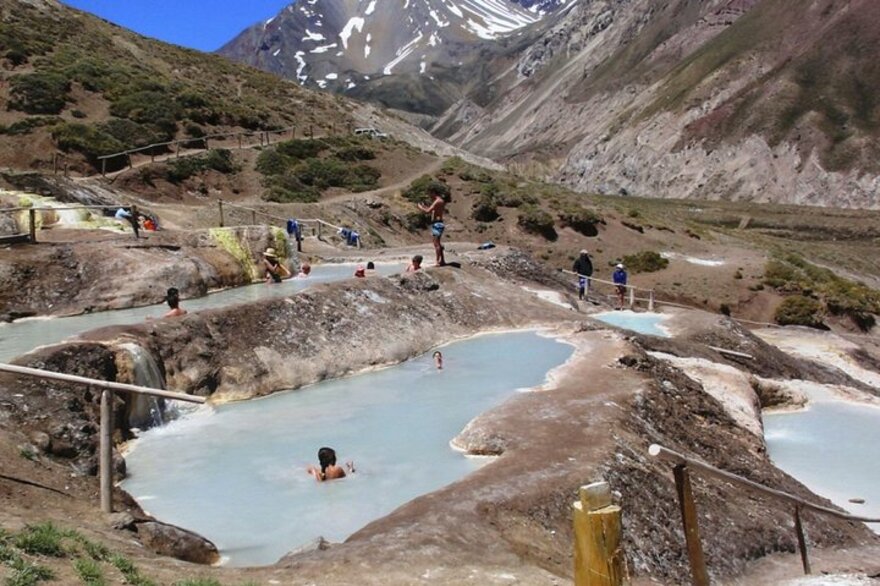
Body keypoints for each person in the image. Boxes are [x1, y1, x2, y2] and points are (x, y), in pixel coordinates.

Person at [417, 189, 446, 266]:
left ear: (433, 192)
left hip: (437, 224)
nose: (429, 196)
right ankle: (442, 260)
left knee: (436, 244)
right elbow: (432, 210)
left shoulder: (437, 201)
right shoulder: (440, 201)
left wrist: (420, 207)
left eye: (430, 194)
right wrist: (424, 207)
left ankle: (437, 261)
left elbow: (428, 211)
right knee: (438, 243)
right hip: (438, 223)